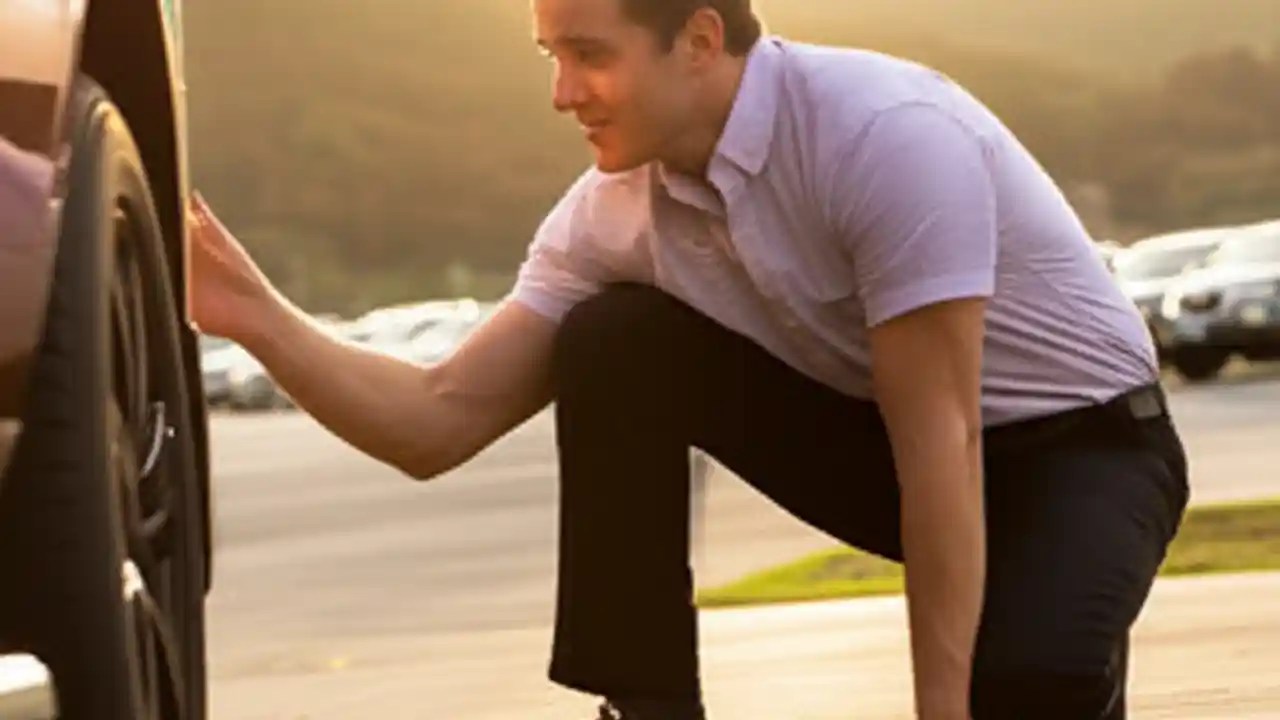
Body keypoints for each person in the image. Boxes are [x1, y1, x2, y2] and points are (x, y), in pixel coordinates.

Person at [188, 0, 1190, 717]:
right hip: (889, 450)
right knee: (614, 342)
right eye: (548, 54)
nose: (559, 92)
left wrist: (942, 708)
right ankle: (648, 707)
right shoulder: (610, 214)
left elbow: (943, 436)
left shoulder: (883, 134)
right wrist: (256, 316)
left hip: (1083, 453)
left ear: (699, 39)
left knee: (1018, 688)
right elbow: (435, 420)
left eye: (586, 54)